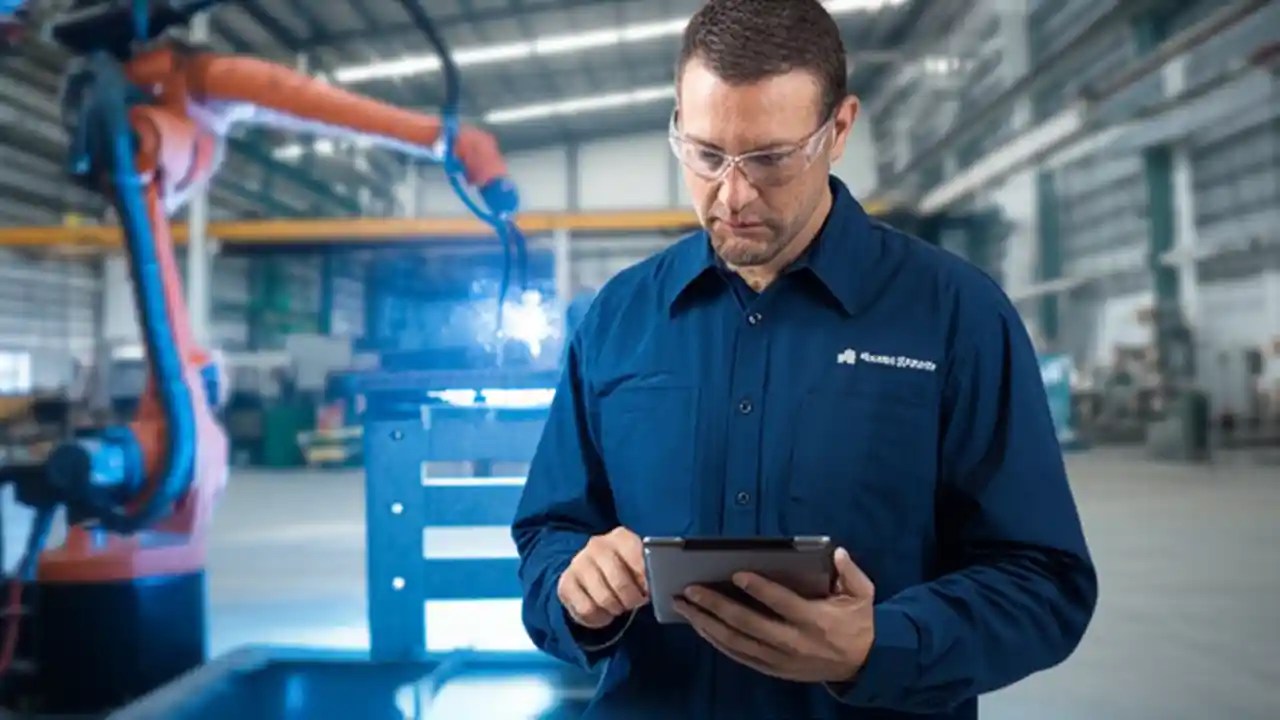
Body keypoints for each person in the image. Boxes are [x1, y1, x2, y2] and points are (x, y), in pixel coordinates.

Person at [511, 1, 1098, 717]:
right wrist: (575, 589)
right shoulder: (620, 318)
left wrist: (878, 645)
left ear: (839, 129)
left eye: (769, 158)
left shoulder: (957, 317)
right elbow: (548, 533)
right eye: (704, 154)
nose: (732, 193)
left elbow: (1043, 581)